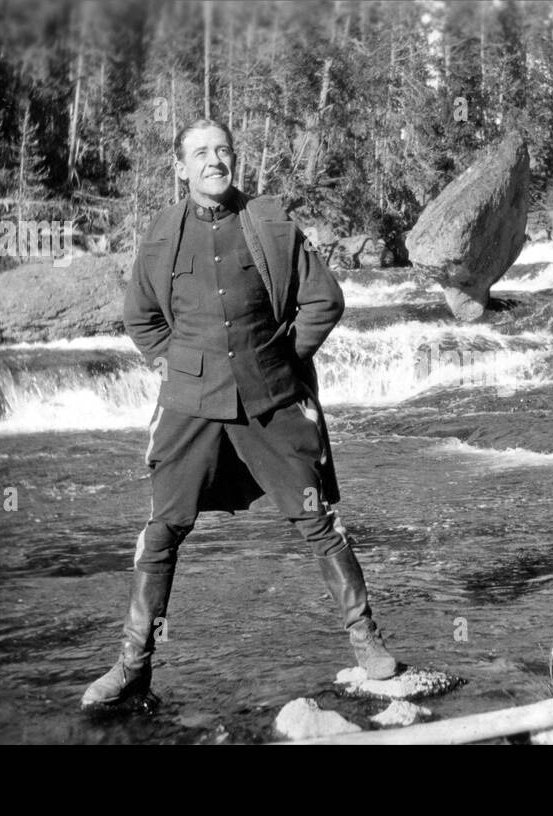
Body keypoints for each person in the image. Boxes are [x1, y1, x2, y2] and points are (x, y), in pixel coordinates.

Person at [81, 118, 397, 710]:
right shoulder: (162, 234)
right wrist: (180, 367)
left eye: (222, 151)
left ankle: (367, 642)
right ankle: (132, 665)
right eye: (200, 153)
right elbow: (140, 318)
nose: (213, 162)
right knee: (162, 532)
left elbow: (326, 300)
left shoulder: (270, 224)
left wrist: (280, 360)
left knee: (317, 522)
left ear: (234, 160)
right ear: (180, 168)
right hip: (188, 407)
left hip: (269, 401)